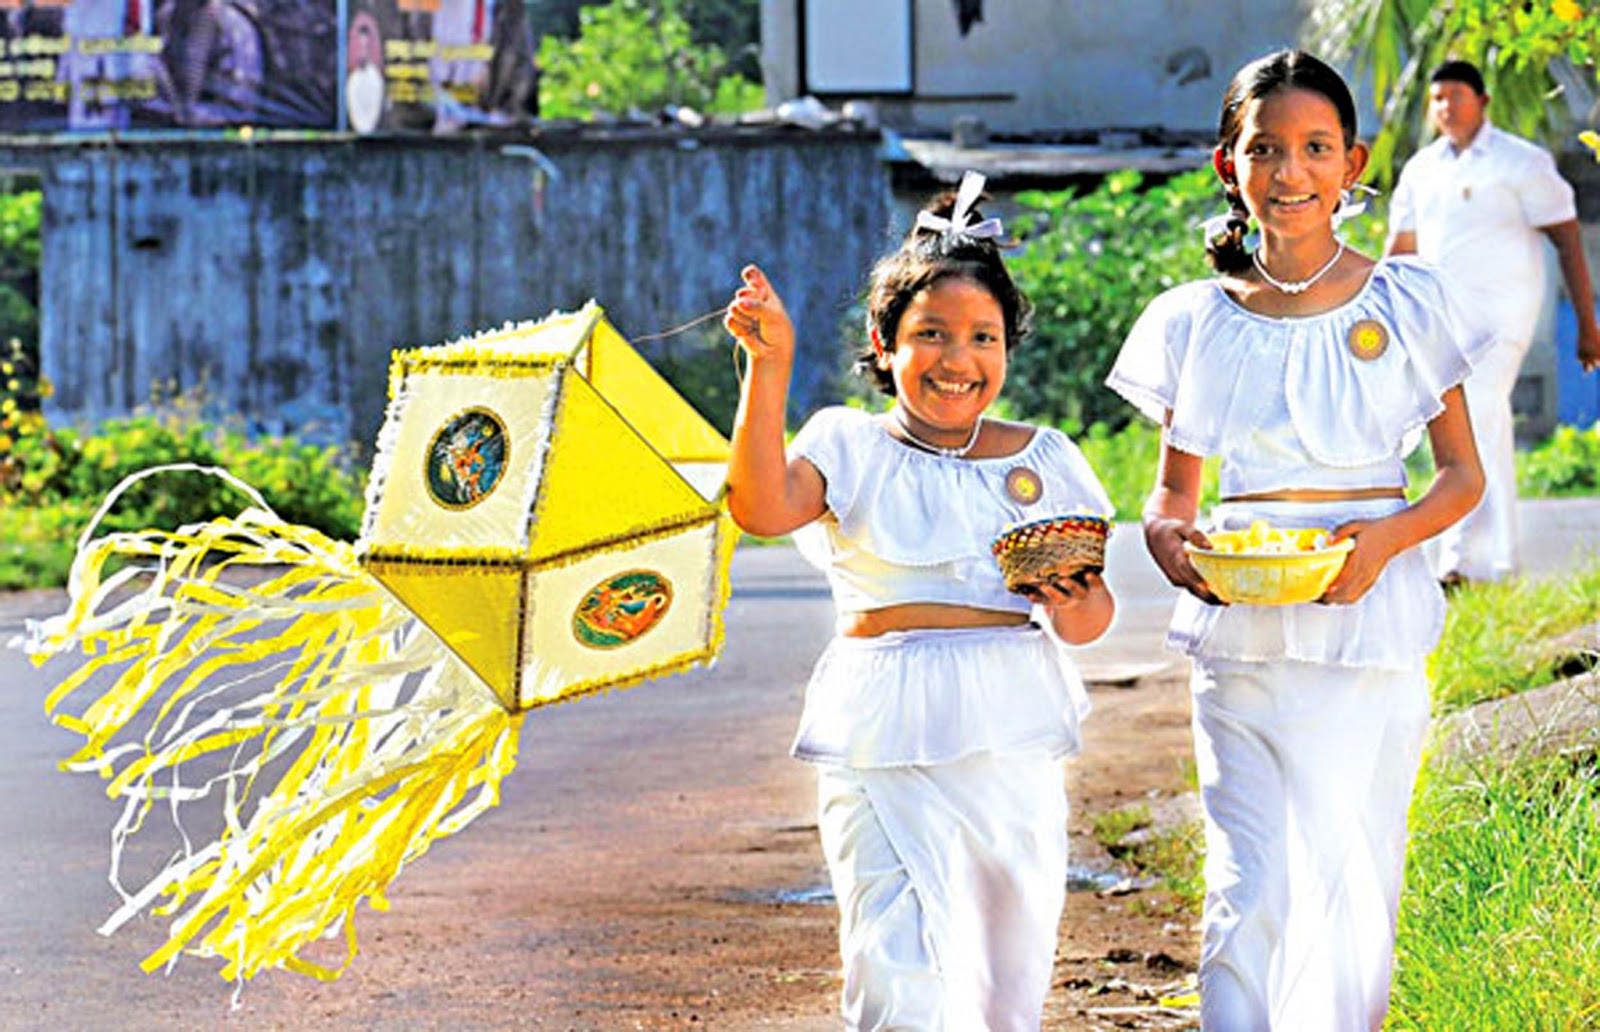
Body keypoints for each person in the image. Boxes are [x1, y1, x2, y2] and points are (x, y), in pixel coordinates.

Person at [1106, 50, 1490, 1029]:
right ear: (1224, 165)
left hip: (1368, 629)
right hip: (1241, 634)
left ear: (1352, 163)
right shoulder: (1192, 322)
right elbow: (1168, 497)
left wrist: (1384, 542)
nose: (1290, 172)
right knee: (1250, 871)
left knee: (1356, 870)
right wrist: (1172, 549)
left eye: (1315, 148)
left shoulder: (1406, 301)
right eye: (1264, 148)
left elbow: (1459, 478)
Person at [722, 172, 1116, 1029]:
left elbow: (1091, 619)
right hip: (880, 728)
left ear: (1008, 346)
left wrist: (1070, 598)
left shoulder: (1045, 459)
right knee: (896, 965)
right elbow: (757, 507)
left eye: (983, 336)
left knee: (1001, 971)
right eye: (930, 334)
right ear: (884, 341)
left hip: (1007, 729)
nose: (957, 360)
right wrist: (769, 366)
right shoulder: (846, 443)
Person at [1387, 58, 1600, 587]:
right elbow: (1399, 252)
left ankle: (1456, 561)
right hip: (1442, 319)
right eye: (1438, 99)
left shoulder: (1520, 161)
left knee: (1474, 410)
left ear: (1482, 101)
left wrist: (1586, 322)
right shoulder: (1422, 169)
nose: (1446, 107)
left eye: (1456, 96)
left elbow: (1568, 237)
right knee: (1485, 423)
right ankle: (1500, 561)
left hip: (1504, 315)